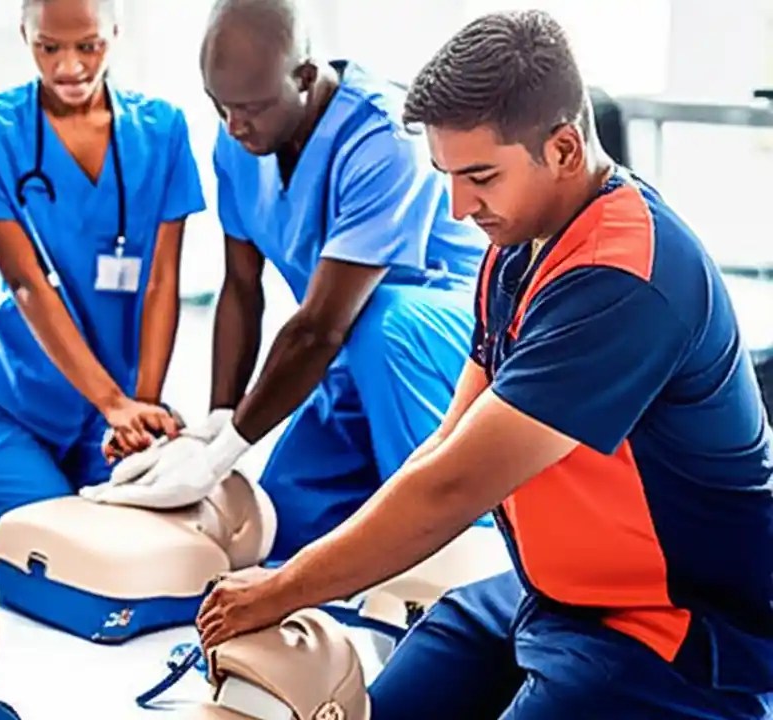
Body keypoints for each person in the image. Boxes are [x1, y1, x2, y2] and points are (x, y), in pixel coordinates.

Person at [195, 10, 773, 719]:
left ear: (563, 149)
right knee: (385, 706)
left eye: (479, 177)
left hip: (672, 631)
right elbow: (444, 443)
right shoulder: (516, 250)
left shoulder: (625, 277)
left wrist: (281, 590)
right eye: (447, 175)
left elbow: (453, 488)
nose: (458, 207)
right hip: (552, 595)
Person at [82, 0, 488, 562]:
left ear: (305, 77)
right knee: (287, 520)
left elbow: (320, 327)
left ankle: (463, 550)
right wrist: (215, 422)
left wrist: (221, 455)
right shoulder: (239, 139)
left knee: (384, 325)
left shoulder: (385, 138)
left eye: (249, 107)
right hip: (346, 353)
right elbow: (241, 289)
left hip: (447, 348)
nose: (233, 125)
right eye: (218, 105)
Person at [0, 0, 207, 557]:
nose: (69, 66)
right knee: (56, 555)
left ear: (116, 33)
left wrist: (140, 415)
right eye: (47, 47)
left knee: (137, 548)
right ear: (24, 35)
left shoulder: (163, 129)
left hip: (102, 410)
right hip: (1, 397)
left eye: (89, 46)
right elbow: (27, 284)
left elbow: (160, 282)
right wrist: (113, 404)